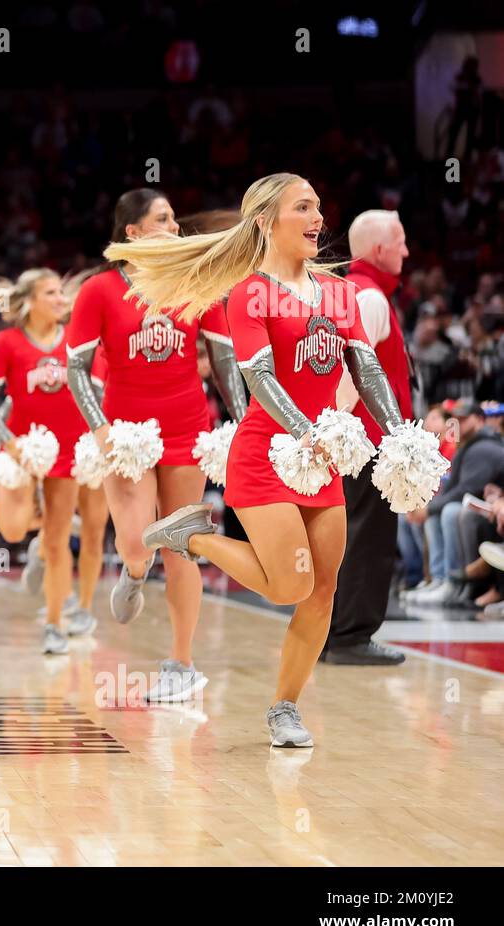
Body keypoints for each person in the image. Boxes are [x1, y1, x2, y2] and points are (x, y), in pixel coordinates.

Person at [114, 172, 411, 748]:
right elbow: (259, 376)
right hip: (268, 454)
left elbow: (366, 369)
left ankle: (284, 708)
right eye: (304, 207)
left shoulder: (340, 291)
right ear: (266, 223)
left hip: (319, 457)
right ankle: (189, 539)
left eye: (319, 206)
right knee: (288, 585)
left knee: (324, 589)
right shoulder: (250, 292)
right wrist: (305, 432)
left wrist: (400, 433)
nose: (318, 218)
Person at [66, 189, 247, 701]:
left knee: (181, 544)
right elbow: (76, 368)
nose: (174, 227)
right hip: (127, 435)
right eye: (162, 219)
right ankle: (132, 569)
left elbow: (226, 360)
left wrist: (242, 421)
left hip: (188, 426)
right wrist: (100, 425)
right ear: (133, 233)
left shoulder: (197, 283)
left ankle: (182, 663)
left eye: (172, 218)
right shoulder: (100, 291)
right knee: (137, 541)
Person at [0, 268, 90, 653]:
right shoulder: (7, 342)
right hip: (21, 449)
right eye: (50, 292)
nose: (60, 298)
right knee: (14, 530)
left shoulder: (75, 340)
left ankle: (54, 625)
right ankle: (39, 527)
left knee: (57, 544)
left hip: (67, 450)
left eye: (60, 292)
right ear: (30, 301)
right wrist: (9, 442)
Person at [322, 211, 413, 664]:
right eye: (400, 242)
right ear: (378, 250)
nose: (407, 251)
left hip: (356, 442)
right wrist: (334, 430)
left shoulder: (352, 292)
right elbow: (347, 373)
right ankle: (351, 637)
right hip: (368, 444)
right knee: (368, 540)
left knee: (350, 537)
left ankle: (333, 633)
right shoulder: (370, 297)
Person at [404, 400, 504, 606]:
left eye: (464, 418)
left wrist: (429, 508)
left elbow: (466, 490)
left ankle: (459, 582)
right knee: (429, 515)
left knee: (450, 512)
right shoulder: (467, 444)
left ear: (479, 419)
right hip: (488, 503)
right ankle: (438, 578)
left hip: (486, 507)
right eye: (455, 419)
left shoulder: (483, 446)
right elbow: (453, 488)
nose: (458, 423)